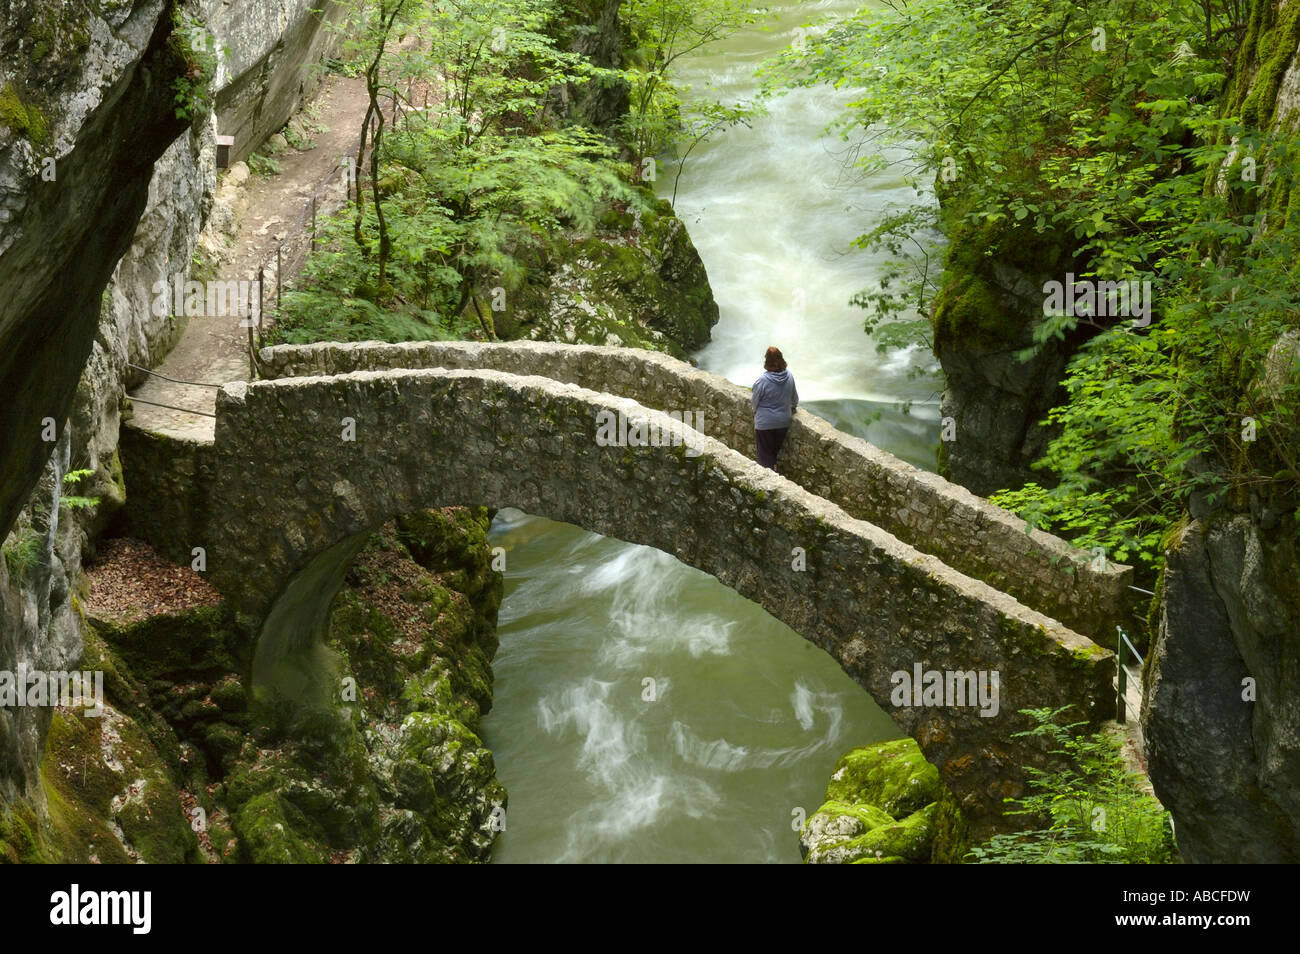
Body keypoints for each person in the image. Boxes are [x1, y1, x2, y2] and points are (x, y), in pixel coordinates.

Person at [751, 346, 798, 469]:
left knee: (765, 457)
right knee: (773, 454)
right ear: (782, 360)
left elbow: (754, 403)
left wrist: (757, 413)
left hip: (765, 424)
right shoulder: (790, 377)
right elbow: (794, 400)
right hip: (783, 422)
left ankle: (768, 484)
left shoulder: (762, 381)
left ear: (767, 362)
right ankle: (774, 471)